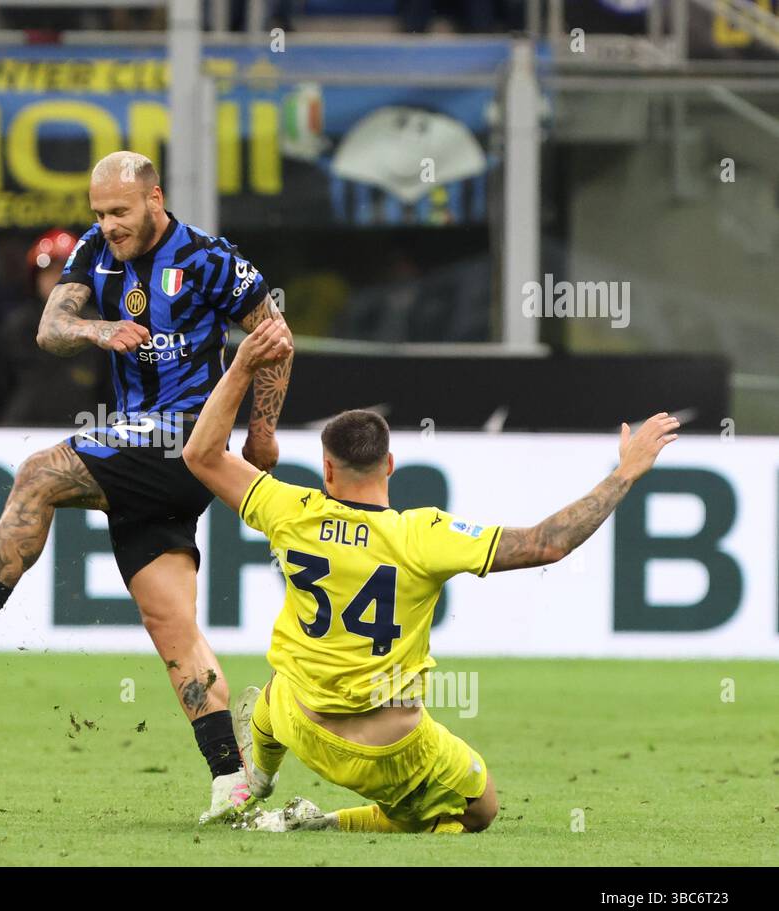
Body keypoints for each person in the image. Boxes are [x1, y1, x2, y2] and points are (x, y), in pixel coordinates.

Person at [0, 151, 295, 824]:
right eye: (99, 213)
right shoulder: (95, 254)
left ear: (155, 199)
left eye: (120, 212)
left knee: (39, 472)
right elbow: (51, 330)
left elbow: (276, 335)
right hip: (140, 452)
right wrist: (99, 329)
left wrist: (264, 432)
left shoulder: (212, 260)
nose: (109, 225)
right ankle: (234, 777)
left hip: (181, 438)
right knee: (172, 627)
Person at [182, 316, 680, 834]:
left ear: (326, 469)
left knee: (278, 684)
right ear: (390, 464)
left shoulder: (291, 509)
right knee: (475, 812)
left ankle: (256, 777)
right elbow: (547, 543)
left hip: (299, 721)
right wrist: (625, 473)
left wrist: (242, 364)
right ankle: (324, 823)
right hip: (385, 750)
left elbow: (201, 453)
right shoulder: (423, 534)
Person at [0, 228, 102, 424]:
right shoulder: (17, 325)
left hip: (84, 429)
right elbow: (0, 384)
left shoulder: (98, 325)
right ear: (35, 278)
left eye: (64, 272)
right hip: (23, 429)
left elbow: (108, 387)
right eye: (48, 272)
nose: (56, 280)